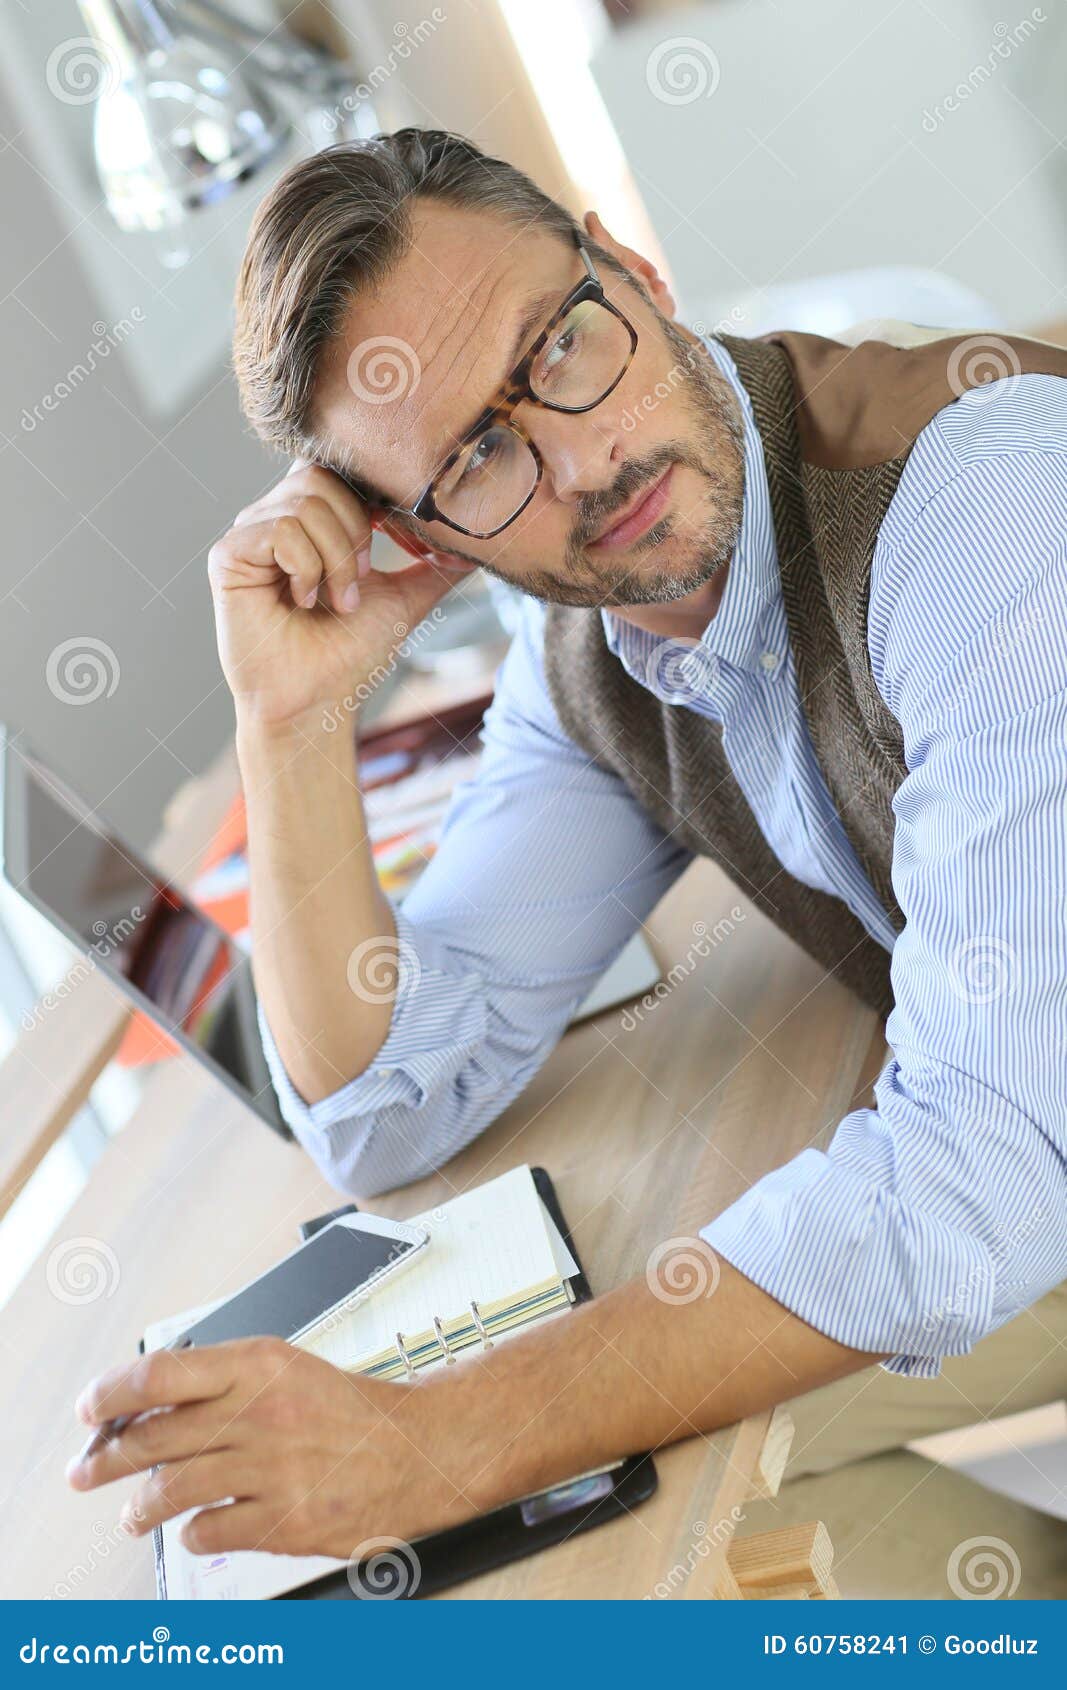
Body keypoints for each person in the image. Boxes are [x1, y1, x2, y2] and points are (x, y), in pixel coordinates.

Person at [68, 130, 1067, 1567]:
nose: (583, 457)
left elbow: (985, 1173)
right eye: (478, 458)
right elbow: (384, 1110)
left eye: (563, 343)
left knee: (564, 1469)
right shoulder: (598, 663)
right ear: (428, 543)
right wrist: (290, 716)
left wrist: (433, 1441)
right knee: (648, 1525)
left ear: (635, 270)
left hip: (1029, 1172)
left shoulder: (984, 514)